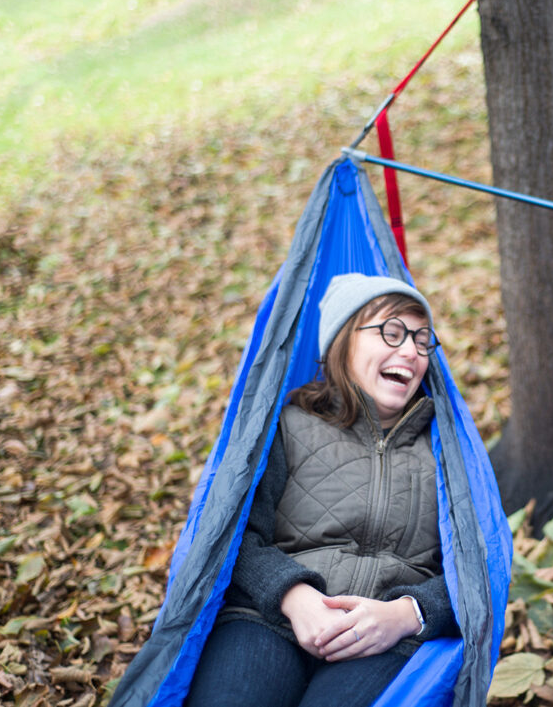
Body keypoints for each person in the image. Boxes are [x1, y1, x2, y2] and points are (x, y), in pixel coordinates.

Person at [185, 273, 459, 707]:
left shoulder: (449, 453)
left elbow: (477, 573)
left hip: (384, 639)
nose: (410, 351)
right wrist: (295, 598)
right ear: (343, 342)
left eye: (423, 340)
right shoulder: (287, 426)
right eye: (391, 332)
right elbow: (233, 537)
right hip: (267, 619)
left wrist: (406, 614)